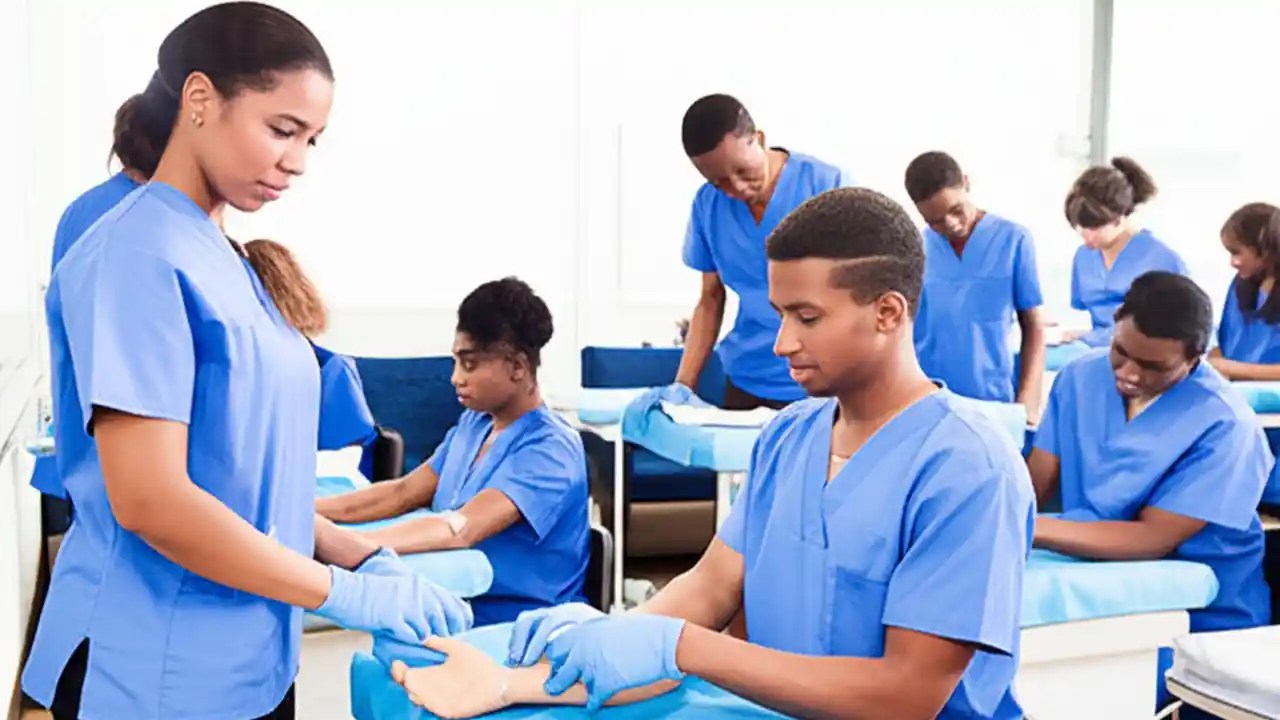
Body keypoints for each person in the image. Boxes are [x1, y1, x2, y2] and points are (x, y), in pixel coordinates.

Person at [22, 5, 471, 719]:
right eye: (281, 130)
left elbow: (244, 476)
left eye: (312, 140)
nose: (296, 161)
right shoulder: (136, 255)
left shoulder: (227, 257)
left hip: (252, 655)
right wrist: (341, 593)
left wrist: (355, 553)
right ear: (200, 100)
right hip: (153, 668)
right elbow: (152, 500)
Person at [507, 188, 1034, 718]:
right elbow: (713, 584)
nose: (781, 343)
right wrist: (607, 635)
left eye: (806, 318)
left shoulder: (968, 469)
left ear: (888, 313)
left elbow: (905, 694)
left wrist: (681, 646)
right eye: (779, 315)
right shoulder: (789, 435)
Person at [316, 277, 590, 627]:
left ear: (518, 367)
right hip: (454, 601)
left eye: (470, 364)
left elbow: (460, 529)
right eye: (456, 362)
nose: (455, 378)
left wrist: (348, 545)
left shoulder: (550, 451)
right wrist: (308, 511)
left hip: (517, 624)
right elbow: (403, 492)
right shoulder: (475, 425)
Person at [1029, 271, 1270, 633]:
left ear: (1195, 359)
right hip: (1097, 575)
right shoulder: (1080, 377)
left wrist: (1028, 527)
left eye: (1154, 367)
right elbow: (1037, 482)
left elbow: (1152, 538)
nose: (1129, 374)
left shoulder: (1225, 423)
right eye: (1120, 352)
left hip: (1204, 607)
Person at [675, 93, 848, 410]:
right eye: (720, 182)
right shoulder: (707, 206)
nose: (736, 189)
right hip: (747, 381)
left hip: (822, 385)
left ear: (759, 139)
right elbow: (710, 299)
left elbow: (857, 293)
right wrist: (683, 386)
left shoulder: (826, 185)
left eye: (743, 171)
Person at [904, 151, 1045, 420]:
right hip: (929, 399)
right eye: (935, 222)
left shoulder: (1013, 240)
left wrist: (1028, 401)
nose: (951, 225)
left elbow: (1034, 325)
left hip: (993, 397)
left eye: (956, 210)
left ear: (966, 184)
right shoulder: (915, 250)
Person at [1063, 157, 1186, 348]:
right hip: (1091, 350)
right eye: (1078, 227)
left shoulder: (1163, 261)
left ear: (1119, 218)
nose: (1085, 235)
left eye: (1094, 227)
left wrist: (1091, 338)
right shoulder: (1084, 257)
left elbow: (1175, 331)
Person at [1209, 203, 1280, 381]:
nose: (1233, 263)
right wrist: (1215, 359)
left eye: (1236, 253)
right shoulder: (1241, 283)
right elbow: (1223, 342)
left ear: (1265, 249)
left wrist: (1232, 369)